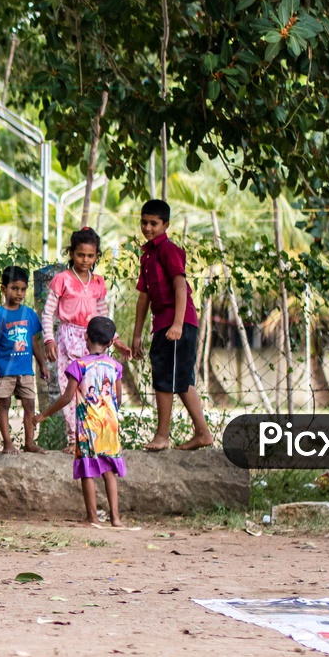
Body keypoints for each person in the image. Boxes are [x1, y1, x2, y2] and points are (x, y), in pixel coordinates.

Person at [127, 199, 214, 451]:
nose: (147, 227)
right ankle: (203, 433)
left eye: (153, 223)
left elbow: (180, 286)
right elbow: (144, 297)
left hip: (177, 322)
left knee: (165, 377)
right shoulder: (147, 256)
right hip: (163, 324)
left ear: (165, 224)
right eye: (144, 222)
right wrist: (137, 335)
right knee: (180, 378)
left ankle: (162, 435)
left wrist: (177, 324)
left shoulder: (168, 250)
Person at [41, 228, 131, 454]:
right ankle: (75, 438)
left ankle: (99, 433)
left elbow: (102, 315)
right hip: (68, 339)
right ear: (72, 253)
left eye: (90, 256)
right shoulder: (62, 280)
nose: (85, 260)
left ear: (96, 256)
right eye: (81, 255)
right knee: (70, 389)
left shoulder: (98, 282)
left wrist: (116, 340)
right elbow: (48, 312)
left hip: (95, 341)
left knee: (97, 388)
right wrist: (49, 340)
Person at [34, 316, 128, 527]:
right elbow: (118, 398)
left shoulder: (79, 365)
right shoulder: (115, 367)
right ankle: (115, 517)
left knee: (88, 470)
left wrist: (42, 415)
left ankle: (92, 517)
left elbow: (67, 397)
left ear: (85, 337)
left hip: (87, 426)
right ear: (111, 342)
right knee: (109, 470)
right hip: (109, 425)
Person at [0, 265, 47, 454]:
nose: (19, 293)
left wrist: (42, 363)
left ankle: (29, 443)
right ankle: (7, 443)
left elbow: (34, 340)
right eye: (14, 288)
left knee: (30, 404)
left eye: (22, 289)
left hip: (26, 369)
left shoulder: (28, 313)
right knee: (4, 404)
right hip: (5, 370)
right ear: (4, 289)